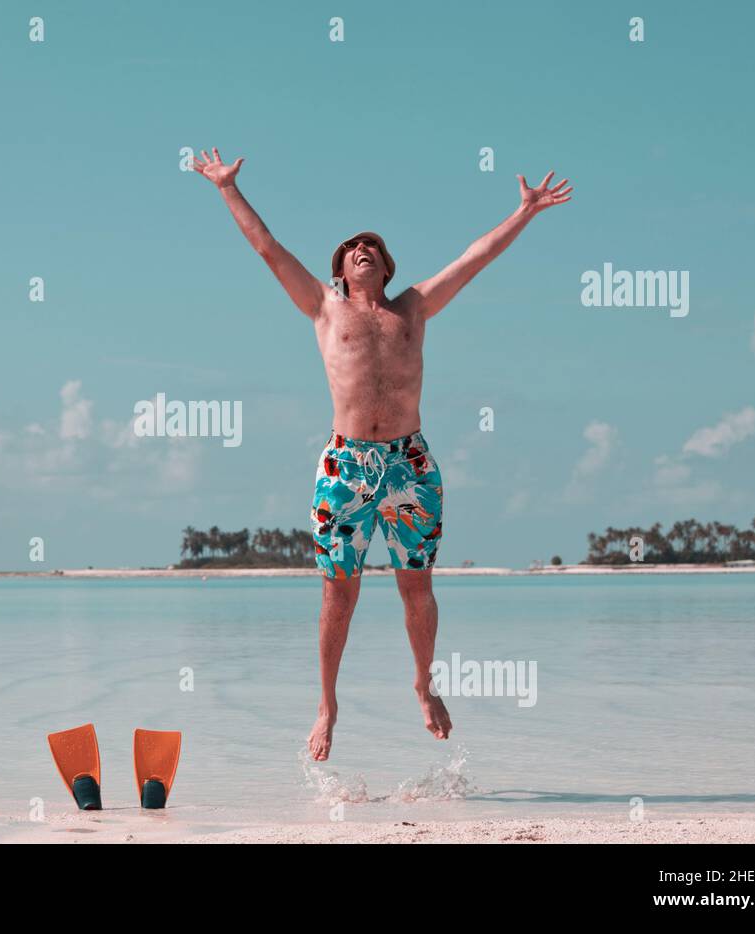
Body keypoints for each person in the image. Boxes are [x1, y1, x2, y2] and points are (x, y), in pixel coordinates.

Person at [192, 149, 571, 760]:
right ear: (341, 267)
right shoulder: (323, 306)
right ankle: (327, 705)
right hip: (346, 465)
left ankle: (423, 686)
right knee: (336, 595)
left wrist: (523, 211)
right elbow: (267, 248)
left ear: (387, 267)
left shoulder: (412, 307)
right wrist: (227, 188)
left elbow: (476, 260)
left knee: (415, 588)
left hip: (409, 463)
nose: (362, 248)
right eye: (352, 247)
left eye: (373, 246)